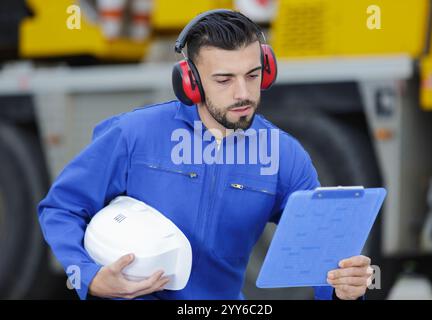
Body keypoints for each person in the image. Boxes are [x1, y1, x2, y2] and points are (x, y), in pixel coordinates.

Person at [38, 9, 373, 300]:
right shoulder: (134, 134)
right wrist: (88, 277)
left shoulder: (284, 155)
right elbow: (61, 208)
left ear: (267, 71)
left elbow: (321, 253)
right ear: (190, 82)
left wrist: (342, 287)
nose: (243, 93)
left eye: (252, 75)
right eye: (224, 80)